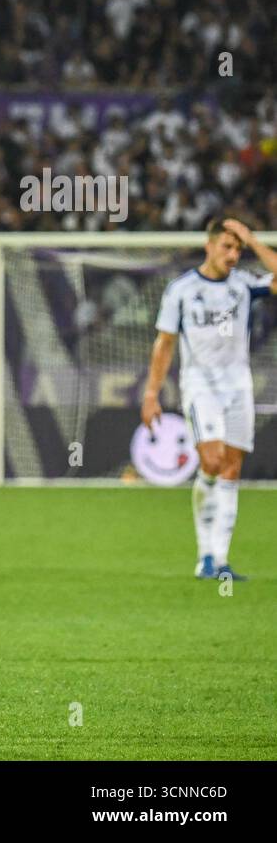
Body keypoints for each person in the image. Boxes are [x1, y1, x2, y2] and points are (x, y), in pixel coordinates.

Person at [142, 217, 276, 581]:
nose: (233, 255)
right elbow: (164, 343)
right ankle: (204, 553)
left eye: (238, 249)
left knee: (232, 469)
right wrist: (152, 393)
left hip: (239, 387)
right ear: (209, 245)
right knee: (213, 461)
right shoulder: (181, 289)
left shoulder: (246, 286)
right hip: (201, 386)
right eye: (227, 246)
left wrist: (254, 239)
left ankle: (220, 560)